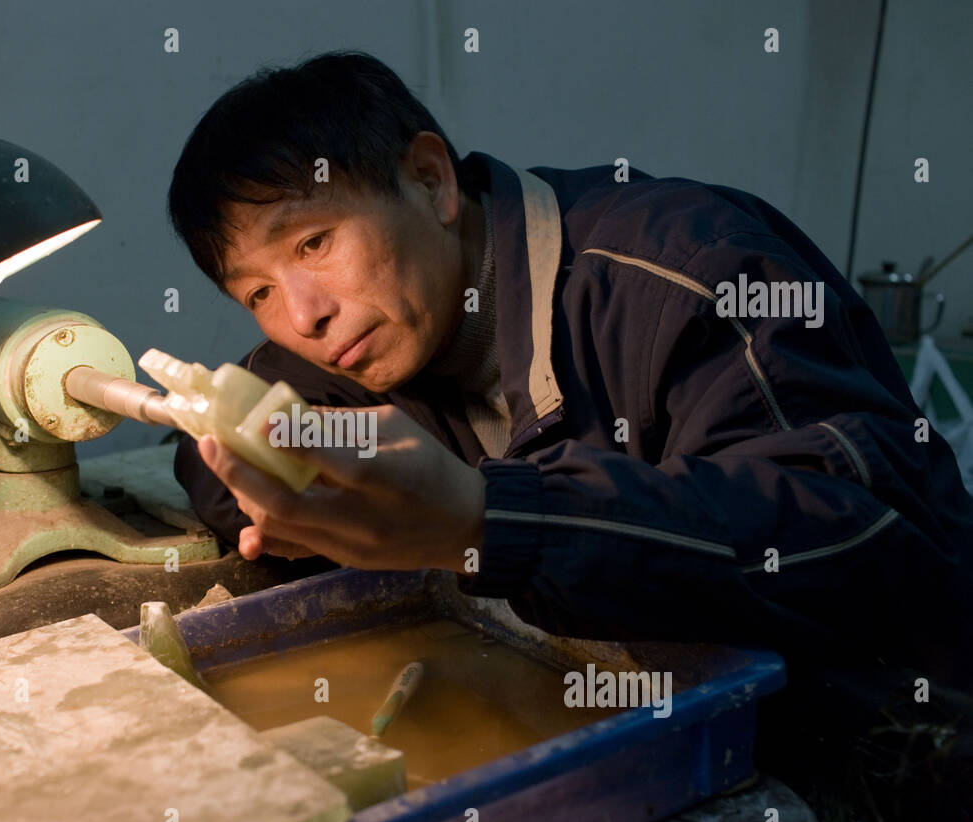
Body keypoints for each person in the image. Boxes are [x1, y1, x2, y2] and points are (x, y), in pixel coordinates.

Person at [164, 51, 973, 684]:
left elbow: (859, 541)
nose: (303, 315)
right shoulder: (364, 333)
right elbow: (239, 413)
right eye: (259, 291)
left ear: (430, 181)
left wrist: (492, 521)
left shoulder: (692, 275)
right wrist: (266, 487)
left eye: (314, 243)